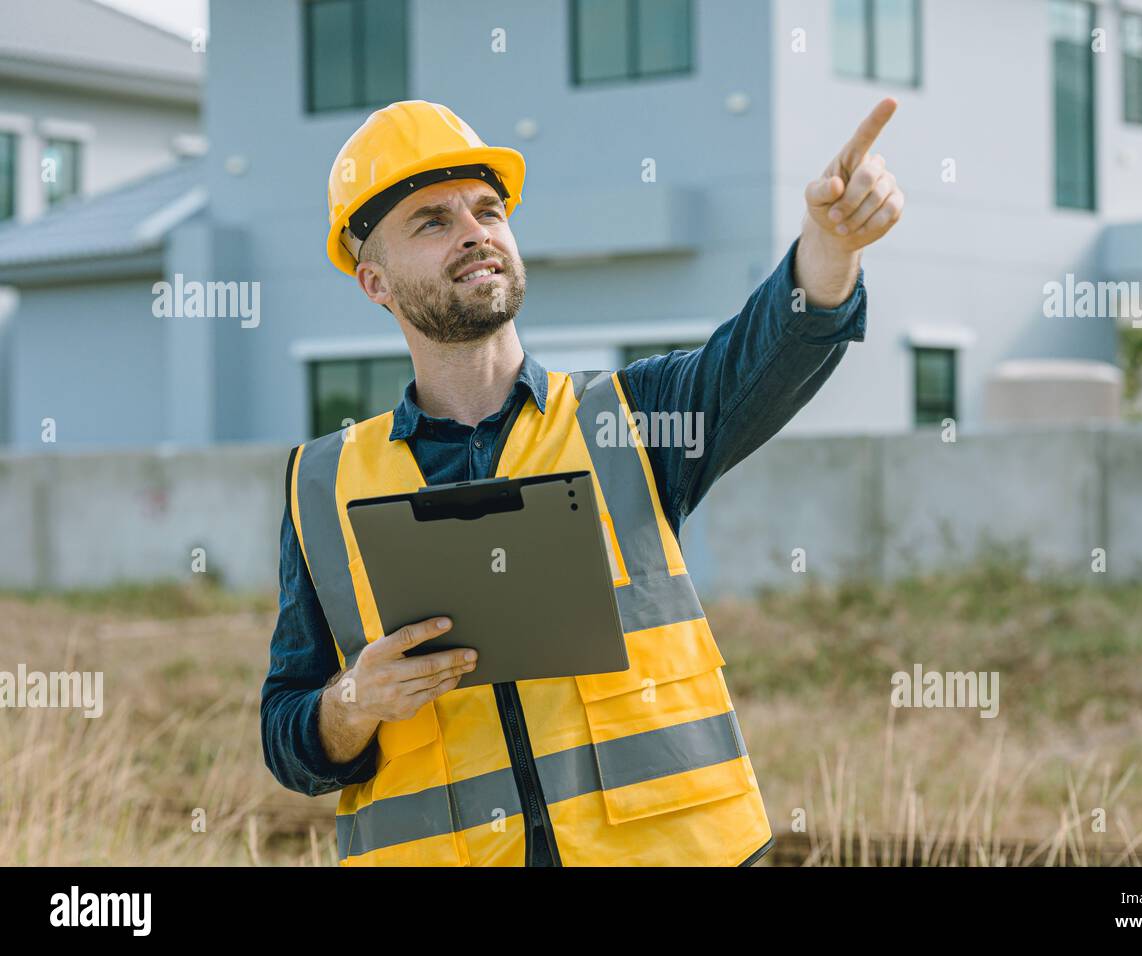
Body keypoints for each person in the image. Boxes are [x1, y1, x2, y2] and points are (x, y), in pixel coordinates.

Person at [261, 99, 904, 866]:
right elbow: (287, 732)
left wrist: (829, 251)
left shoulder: (627, 421)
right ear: (376, 282)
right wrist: (353, 704)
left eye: (488, 210)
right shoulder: (324, 485)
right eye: (432, 221)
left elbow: (764, 355)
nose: (475, 232)